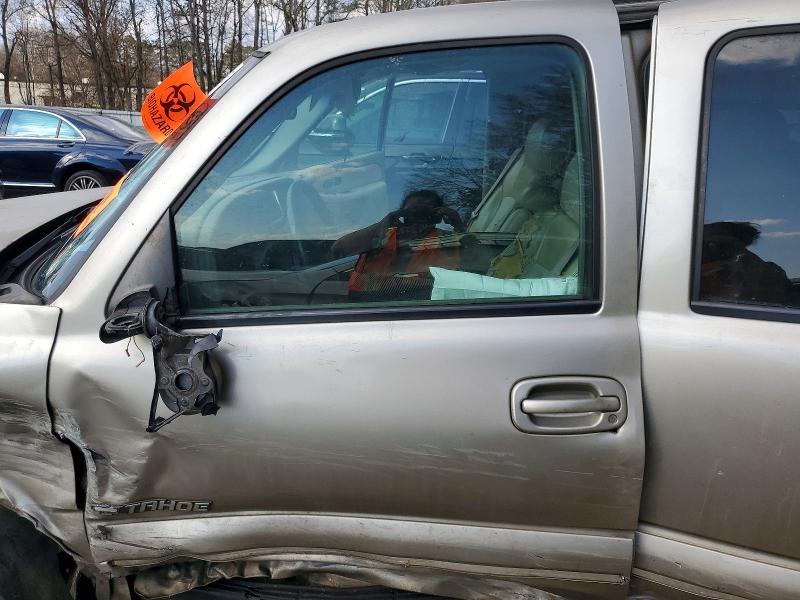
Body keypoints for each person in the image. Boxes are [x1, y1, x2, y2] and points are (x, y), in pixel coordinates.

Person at [331, 190, 463, 299]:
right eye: (413, 210)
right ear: (401, 213)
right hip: (368, 304)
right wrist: (384, 223)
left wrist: (457, 224)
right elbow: (339, 249)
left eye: (426, 211)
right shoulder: (381, 235)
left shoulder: (447, 239)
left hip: (422, 306)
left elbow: (477, 262)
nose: (418, 215)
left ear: (438, 215)